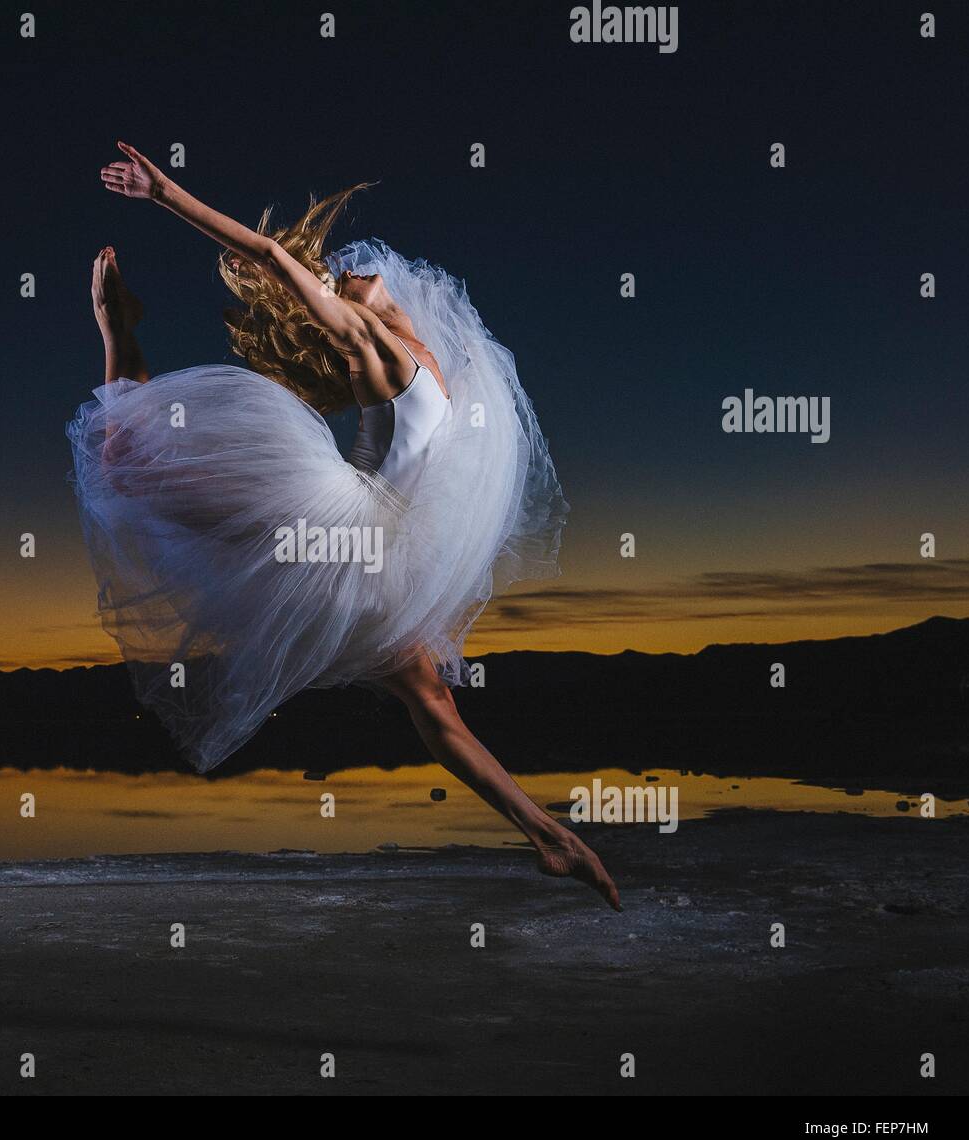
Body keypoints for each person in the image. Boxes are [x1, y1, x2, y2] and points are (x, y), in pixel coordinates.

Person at [68, 142, 619, 909]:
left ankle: (551, 838)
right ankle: (115, 325)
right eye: (342, 275)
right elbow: (263, 250)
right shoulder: (373, 347)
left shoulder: (428, 354)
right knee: (127, 464)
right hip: (339, 529)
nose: (355, 269)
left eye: (350, 270)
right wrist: (164, 192)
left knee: (435, 707)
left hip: (364, 551)